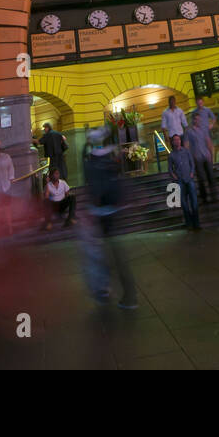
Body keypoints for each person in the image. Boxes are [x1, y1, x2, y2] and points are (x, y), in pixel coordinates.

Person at [81, 129, 138, 309]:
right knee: (112, 253)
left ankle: (106, 290)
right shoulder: (111, 161)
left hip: (101, 213)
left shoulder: (91, 164)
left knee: (103, 254)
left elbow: (94, 189)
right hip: (113, 211)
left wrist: (90, 209)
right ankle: (122, 293)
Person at [168, 135, 200, 230]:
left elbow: (192, 164)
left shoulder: (186, 151)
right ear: (173, 142)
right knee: (184, 203)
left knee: (194, 202)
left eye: (178, 139)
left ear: (180, 141)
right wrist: (175, 178)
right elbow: (170, 169)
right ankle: (189, 223)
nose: (177, 141)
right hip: (180, 181)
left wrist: (192, 173)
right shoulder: (171, 155)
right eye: (175, 140)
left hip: (189, 179)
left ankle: (196, 223)